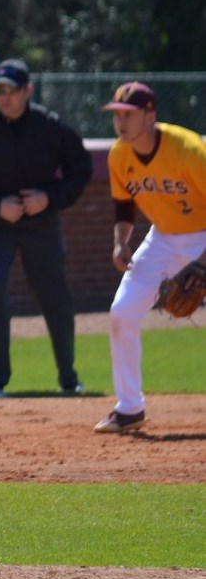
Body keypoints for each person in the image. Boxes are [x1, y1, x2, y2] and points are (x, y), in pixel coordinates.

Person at [0, 58, 93, 400]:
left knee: (54, 294)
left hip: (41, 222)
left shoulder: (51, 127)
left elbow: (81, 168)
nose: (5, 97)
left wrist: (50, 197)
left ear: (28, 90)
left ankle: (69, 378)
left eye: (12, 90)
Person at [93, 82, 206, 433]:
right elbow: (124, 204)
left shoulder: (188, 149)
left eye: (129, 114)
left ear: (151, 116)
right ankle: (129, 408)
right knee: (122, 312)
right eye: (117, 115)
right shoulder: (119, 155)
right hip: (162, 239)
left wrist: (202, 264)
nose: (122, 122)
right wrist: (120, 243)